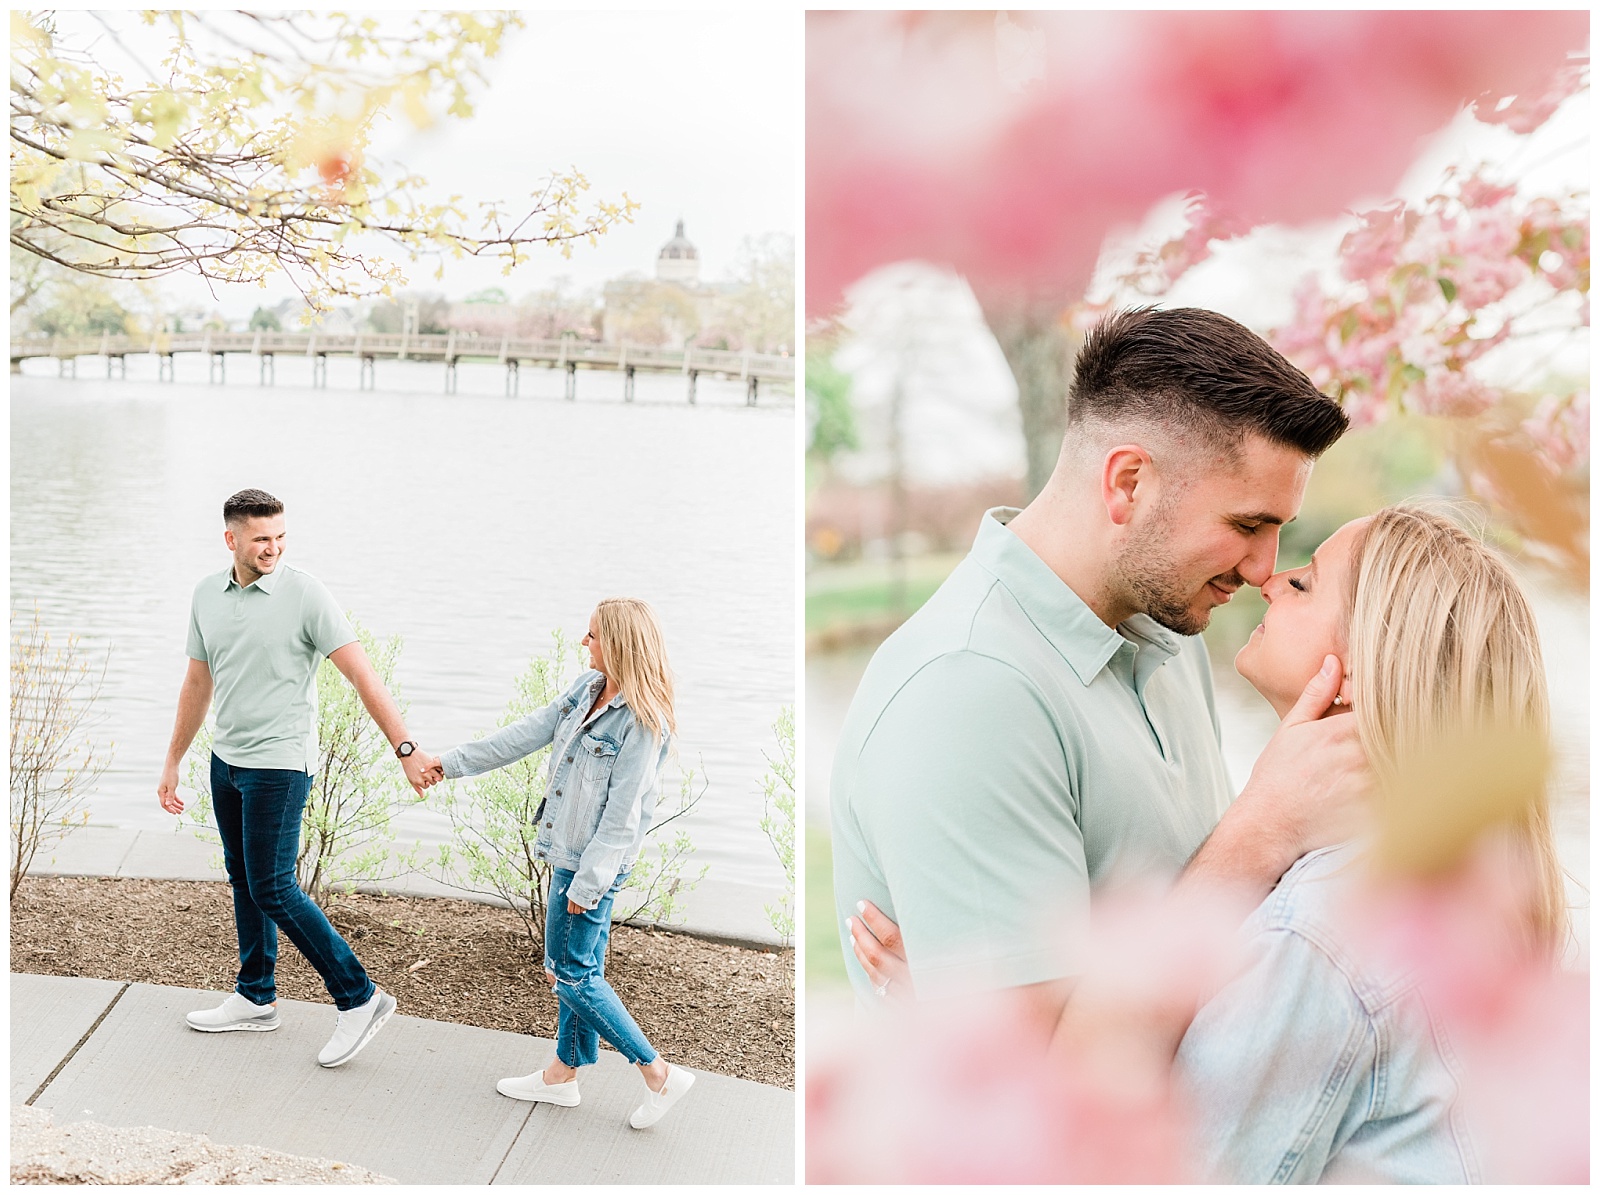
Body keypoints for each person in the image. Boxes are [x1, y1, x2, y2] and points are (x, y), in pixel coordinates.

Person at [832, 306, 1369, 1039]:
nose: (1263, 569)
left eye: (1280, 530)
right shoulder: (969, 691)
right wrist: (1262, 826)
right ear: (1128, 483)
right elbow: (1043, 1095)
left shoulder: (1170, 636)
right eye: (1247, 526)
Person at [1174, 504, 1567, 1182]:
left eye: (1304, 584)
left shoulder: (1325, 931)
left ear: (1355, 670)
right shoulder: (1465, 884)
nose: (1270, 579)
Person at [159, 488, 434, 1068]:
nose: (274, 549)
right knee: (243, 876)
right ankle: (256, 995)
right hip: (227, 761)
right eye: (262, 538)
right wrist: (173, 760)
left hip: (280, 765)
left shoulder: (306, 593)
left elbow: (364, 676)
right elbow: (196, 684)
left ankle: (359, 998)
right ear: (230, 538)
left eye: (281, 537)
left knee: (274, 885)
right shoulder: (207, 594)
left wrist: (405, 748)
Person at [424, 597, 696, 1130]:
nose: (583, 642)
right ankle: (561, 1077)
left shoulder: (642, 723)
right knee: (576, 970)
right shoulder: (586, 690)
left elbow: (623, 818)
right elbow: (523, 735)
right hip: (568, 855)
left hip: (593, 866)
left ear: (617, 643)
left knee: (571, 974)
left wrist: (590, 884)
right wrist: (447, 763)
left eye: (592, 635)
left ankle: (658, 1073)